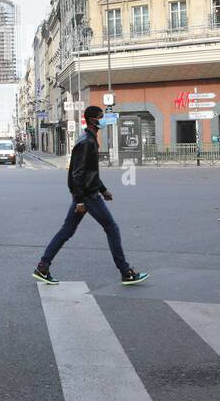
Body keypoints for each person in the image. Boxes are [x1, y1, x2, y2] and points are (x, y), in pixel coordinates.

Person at [33, 105, 148, 286]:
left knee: (66, 231)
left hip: (88, 194)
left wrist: (103, 190)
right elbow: (78, 173)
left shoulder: (89, 139)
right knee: (112, 229)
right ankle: (126, 272)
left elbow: (90, 172)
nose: (103, 120)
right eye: (100, 117)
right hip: (87, 196)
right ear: (93, 120)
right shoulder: (86, 141)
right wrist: (79, 200)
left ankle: (42, 266)